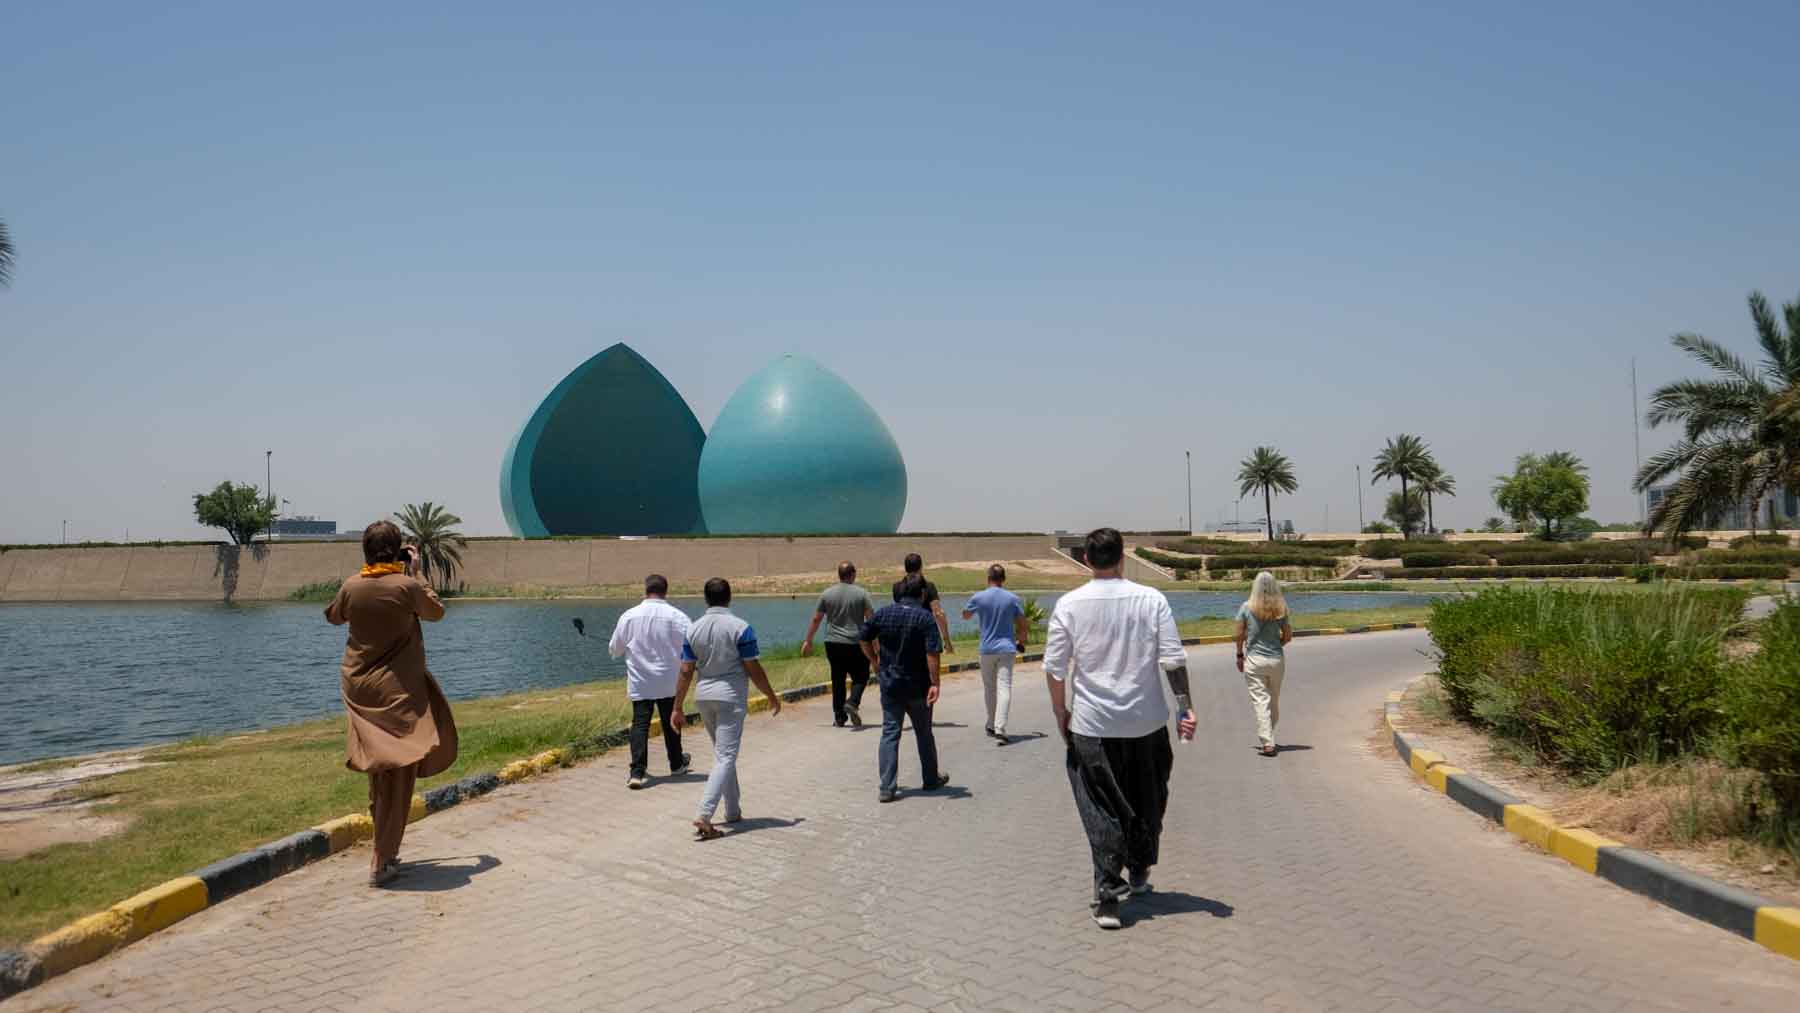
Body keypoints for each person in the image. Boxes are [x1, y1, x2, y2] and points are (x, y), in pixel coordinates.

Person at [1042, 527, 1196, 930]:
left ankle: (1109, 895)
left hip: (1092, 724)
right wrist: (1185, 707)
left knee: (1101, 807)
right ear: (1122, 557)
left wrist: (1060, 713)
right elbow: (1173, 660)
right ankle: (1140, 868)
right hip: (1146, 722)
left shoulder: (1069, 605)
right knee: (1149, 797)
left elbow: (1055, 669)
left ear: (1088, 560)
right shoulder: (1152, 599)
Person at [325, 520, 459, 887]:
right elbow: (436, 611)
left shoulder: (353, 586)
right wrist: (416, 574)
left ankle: (386, 849)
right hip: (397, 692)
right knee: (400, 774)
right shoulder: (406, 585)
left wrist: (358, 583)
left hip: (360, 690)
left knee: (379, 769)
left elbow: (333, 615)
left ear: (366, 551)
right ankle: (382, 859)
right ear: (398, 549)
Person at [670, 578, 782, 840]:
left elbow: (686, 670)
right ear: (729, 597)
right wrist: (771, 696)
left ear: (706, 599)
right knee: (725, 757)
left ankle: (732, 811)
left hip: (703, 696)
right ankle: (704, 815)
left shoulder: (693, 629)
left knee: (723, 755)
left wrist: (677, 707)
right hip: (730, 697)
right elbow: (753, 667)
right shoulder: (741, 627)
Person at [861, 573, 950, 802]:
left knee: (890, 733)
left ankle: (887, 787)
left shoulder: (883, 613)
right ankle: (930, 779)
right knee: (924, 733)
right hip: (918, 685)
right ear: (922, 594)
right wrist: (935, 683)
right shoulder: (925, 618)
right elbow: (932, 653)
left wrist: (874, 661)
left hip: (890, 684)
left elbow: (862, 637)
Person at [609, 574, 693, 788]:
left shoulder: (629, 616)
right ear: (665, 591)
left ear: (646, 590)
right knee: (670, 721)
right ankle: (676, 765)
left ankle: (637, 772)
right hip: (669, 680)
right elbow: (692, 647)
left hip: (641, 682)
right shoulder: (678, 616)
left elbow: (615, 649)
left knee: (640, 724)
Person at [801, 561, 876, 728]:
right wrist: (876, 645)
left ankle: (839, 718)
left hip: (832, 643)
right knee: (861, 676)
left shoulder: (827, 594)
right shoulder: (862, 594)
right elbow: (871, 620)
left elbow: (816, 619)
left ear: (839, 575)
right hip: (856, 642)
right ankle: (853, 702)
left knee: (838, 679)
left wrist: (808, 640)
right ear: (853, 574)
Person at [961, 564, 1029, 745]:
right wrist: (1021, 642)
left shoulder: (979, 597)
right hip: (1007, 648)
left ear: (988, 578)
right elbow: (1023, 624)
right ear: (1003, 579)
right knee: (1004, 687)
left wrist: (976, 608)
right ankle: (1000, 727)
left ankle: (991, 723)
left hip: (986, 649)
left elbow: (965, 615)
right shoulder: (1012, 598)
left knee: (989, 688)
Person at [1235, 571, 1293, 758]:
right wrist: (1277, 645)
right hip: (1276, 660)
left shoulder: (1246, 607)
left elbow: (1239, 634)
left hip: (1254, 660)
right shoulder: (1281, 608)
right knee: (1273, 700)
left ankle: (1267, 742)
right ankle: (1269, 734)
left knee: (1261, 701)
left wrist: (1239, 654)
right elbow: (1288, 636)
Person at [891, 552, 953, 653]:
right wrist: (947, 641)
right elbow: (938, 613)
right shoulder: (929, 586)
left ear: (906, 567)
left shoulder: (896, 587)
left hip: (903, 635)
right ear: (920, 567)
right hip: (924, 634)